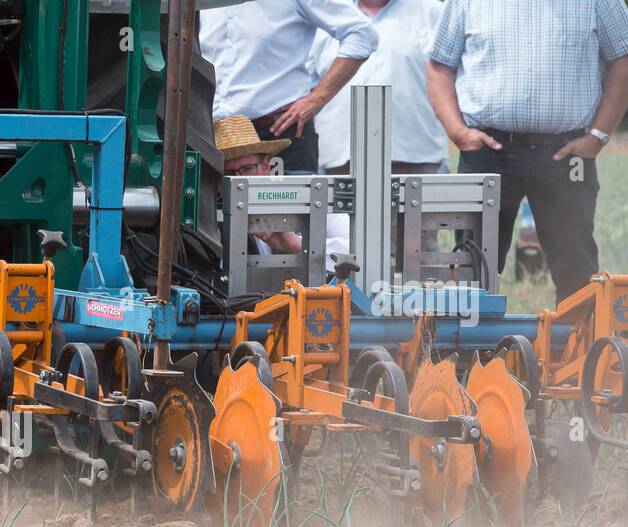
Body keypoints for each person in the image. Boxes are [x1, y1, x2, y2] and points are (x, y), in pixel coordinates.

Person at [426, 0, 628, 303]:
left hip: (568, 155)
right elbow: (440, 66)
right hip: (487, 151)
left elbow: (622, 59)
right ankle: (468, 349)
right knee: (472, 268)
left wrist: (599, 136)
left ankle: (578, 348)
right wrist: (458, 132)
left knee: (576, 266)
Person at [201, 0, 379, 175]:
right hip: (212, 135)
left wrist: (317, 99)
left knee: (289, 204)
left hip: (279, 130)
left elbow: (362, 34)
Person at [310, 0, 448, 177]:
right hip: (339, 161)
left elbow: (453, 77)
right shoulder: (322, 11)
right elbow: (303, 85)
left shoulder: (433, 12)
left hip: (418, 160)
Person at [214, 116, 301, 255]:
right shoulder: (209, 221)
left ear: (267, 165)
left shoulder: (306, 190)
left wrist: (296, 244)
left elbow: (347, 249)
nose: (239, 181)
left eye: (248, 169)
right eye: (228, 173)